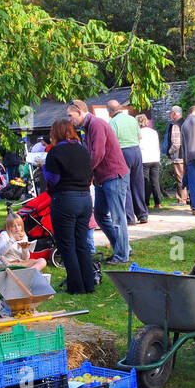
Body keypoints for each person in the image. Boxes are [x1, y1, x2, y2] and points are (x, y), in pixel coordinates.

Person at [67, 100, 129, 264]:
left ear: (80, 112)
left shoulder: (96, 124)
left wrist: (85, 173)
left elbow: (98, 153)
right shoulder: (88, 128)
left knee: (117, 217)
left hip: (114, 175)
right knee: (101, 215)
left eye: (70, 116)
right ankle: (121, 248)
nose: (69, 120)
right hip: (103, 178)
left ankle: (122, 255)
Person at [42, 118, 98, 294]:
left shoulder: (55, 152)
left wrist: (44, 167)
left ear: (55, 134)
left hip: (65, 199)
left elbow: (53, 179)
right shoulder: (83, 150)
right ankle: (89, 283)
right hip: (85, 199)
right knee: (81, 242)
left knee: (67, 244)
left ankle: (75, 286)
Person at [109, 101, 148, 225]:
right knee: (138, 183)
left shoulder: (113, 123)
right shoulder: (132, 119)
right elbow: (139, 137)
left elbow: (112, 142)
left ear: (110, 111)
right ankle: (142, 214)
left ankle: (129, 217)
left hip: (122, 152)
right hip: (136, 151)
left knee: (125, 186)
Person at [138, 114, 163, 210]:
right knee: (155, 181)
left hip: (144, 158)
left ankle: (146, 202)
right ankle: (158, 202)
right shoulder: (153, 132)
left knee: (145, 181)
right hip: (155, 158)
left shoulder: (139, 132)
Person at [166, 106, 187, 204]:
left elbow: (176, 144)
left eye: (170, 113)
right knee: (185, 177)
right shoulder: (186, 122)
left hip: (178, 156)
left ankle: (181, 199)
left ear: (174, 113)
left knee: (180, 178)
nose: (170, 115)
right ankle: (186, 197)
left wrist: (169, 152)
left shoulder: (175, 125)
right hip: (187, 154)